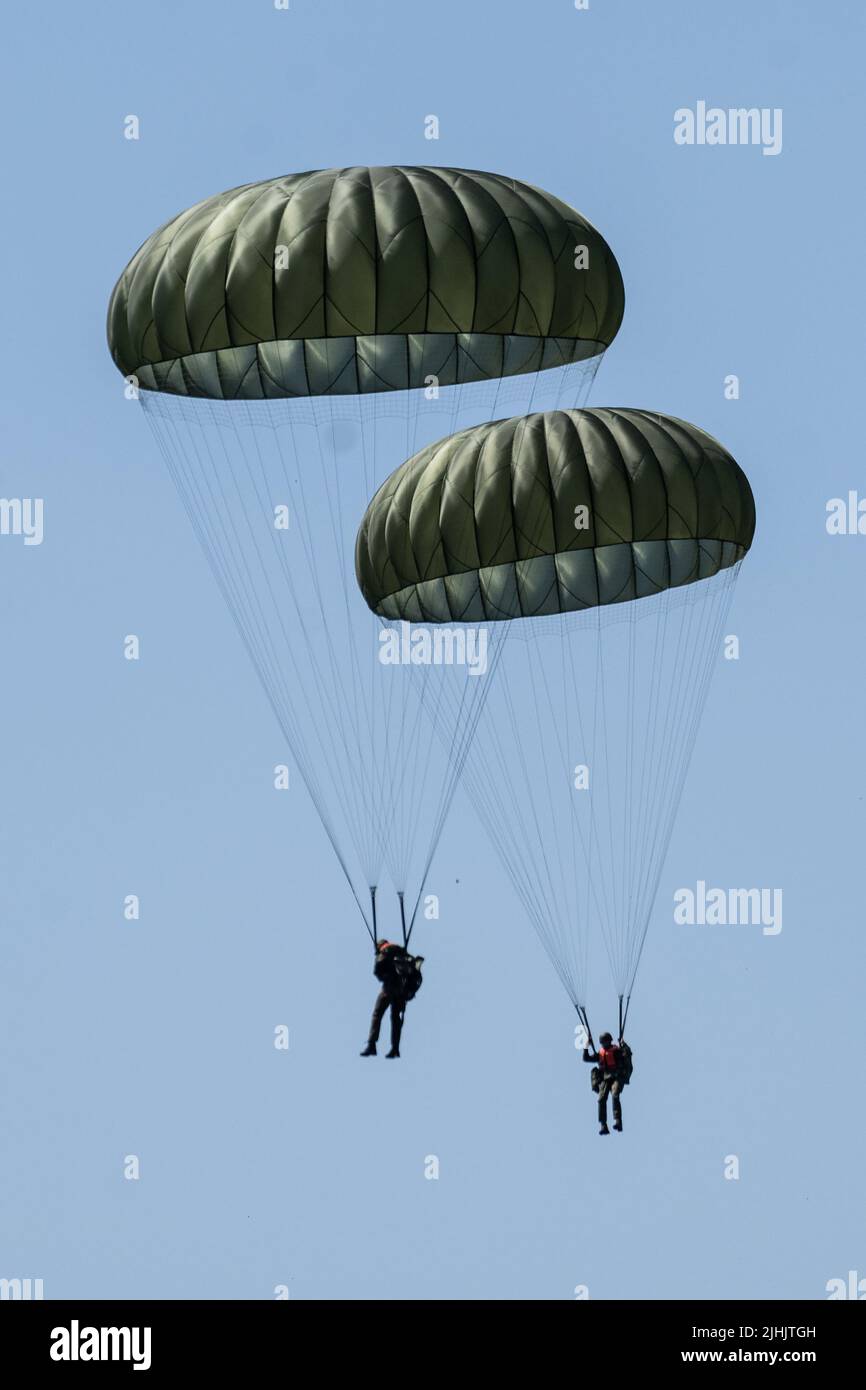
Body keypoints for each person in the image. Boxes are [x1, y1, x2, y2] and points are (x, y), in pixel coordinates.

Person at [360, 940, 423, 1059]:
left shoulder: (384, 951)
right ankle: (395, 1049)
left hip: (389, 989)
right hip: (402, 990)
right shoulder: (401, 950)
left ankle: (372, 1045)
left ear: (379, 946)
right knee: (395, 1018)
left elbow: (377, 971)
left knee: (377, 1014)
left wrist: (385, 978)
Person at [583, 1031, 628, 1135]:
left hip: (616, 1077)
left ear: (610, 1041)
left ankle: (618, 1121)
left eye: (606, 1042)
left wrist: (623, 1044)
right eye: (602, 1043)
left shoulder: (617, 1051)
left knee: (615, 1095)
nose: (604, 1044)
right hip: (605, 1078)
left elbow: (625, 1055)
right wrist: (586, 1046)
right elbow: (586, 1059)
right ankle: (603, 1125)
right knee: (601, 1099)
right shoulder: (600, 1054)